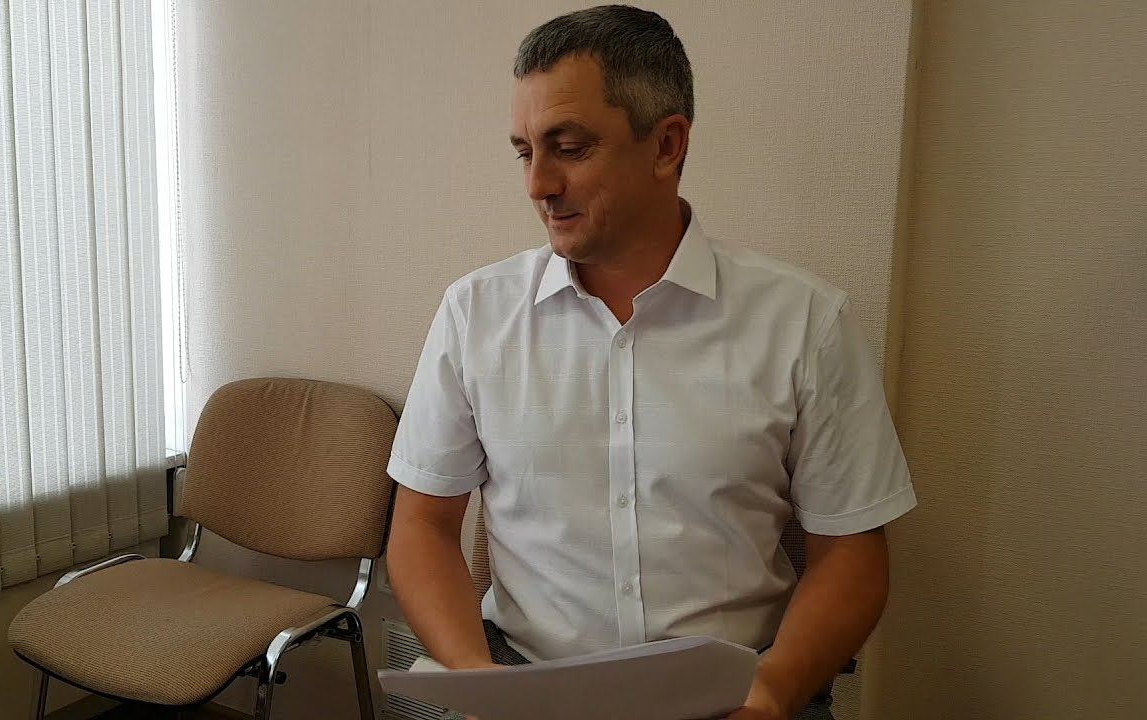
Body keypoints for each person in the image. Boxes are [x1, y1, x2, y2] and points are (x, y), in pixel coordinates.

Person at [385, 6, 916, 719]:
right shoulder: (474, 314)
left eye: (569, 148)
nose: (538, 184)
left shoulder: (804, 324)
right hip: (527, 684)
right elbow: (421, 527)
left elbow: (852, 552)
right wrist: (479, 684)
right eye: (524, 152)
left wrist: (773, 693)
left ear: (666, 145)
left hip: (739, 692)